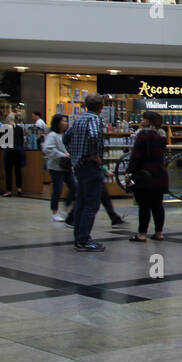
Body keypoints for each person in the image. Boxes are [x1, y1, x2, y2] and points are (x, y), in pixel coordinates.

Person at [63, 94, 108, 252]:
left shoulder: (80, 119)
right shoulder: (94, 119)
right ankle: (84, 239)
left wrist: (74, 154)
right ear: (101, 107)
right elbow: (94, 136)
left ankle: (79, 237)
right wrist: (94, 156)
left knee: (81, 202)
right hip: (90, 166)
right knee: (91, 204)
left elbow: (66, 137)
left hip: (79, 166)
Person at [127, 111, 169, 242]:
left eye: (143, 119)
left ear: (148, 121)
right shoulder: (162, 136)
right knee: (157, 205)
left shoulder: (143, 135)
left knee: (144, 205)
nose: (141, 121)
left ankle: (142, 233)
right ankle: (159, 232)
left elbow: (136, 156)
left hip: (144, 174)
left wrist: (129, 172)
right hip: (160, 174)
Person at [43, 113, 75, 223]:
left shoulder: (65, 135)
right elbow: (48, 149)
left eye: (66, 121)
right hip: (56, 167)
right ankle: (55, 212)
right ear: (57, 123)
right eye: (63, 121)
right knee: (57, 189)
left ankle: (65, 208)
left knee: (74, 186)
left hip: (66, 166)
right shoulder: (52, 135)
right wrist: (62, 155)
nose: (66, 123)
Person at [0, 112, 26, 197]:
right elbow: (22, 141)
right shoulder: (19, 128)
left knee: (8, 172)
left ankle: (9, 191)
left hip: (9, 151)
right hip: (18, 151)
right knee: (18, 171)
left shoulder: (4, 128)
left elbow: (1, 142)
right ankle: (19, 189)